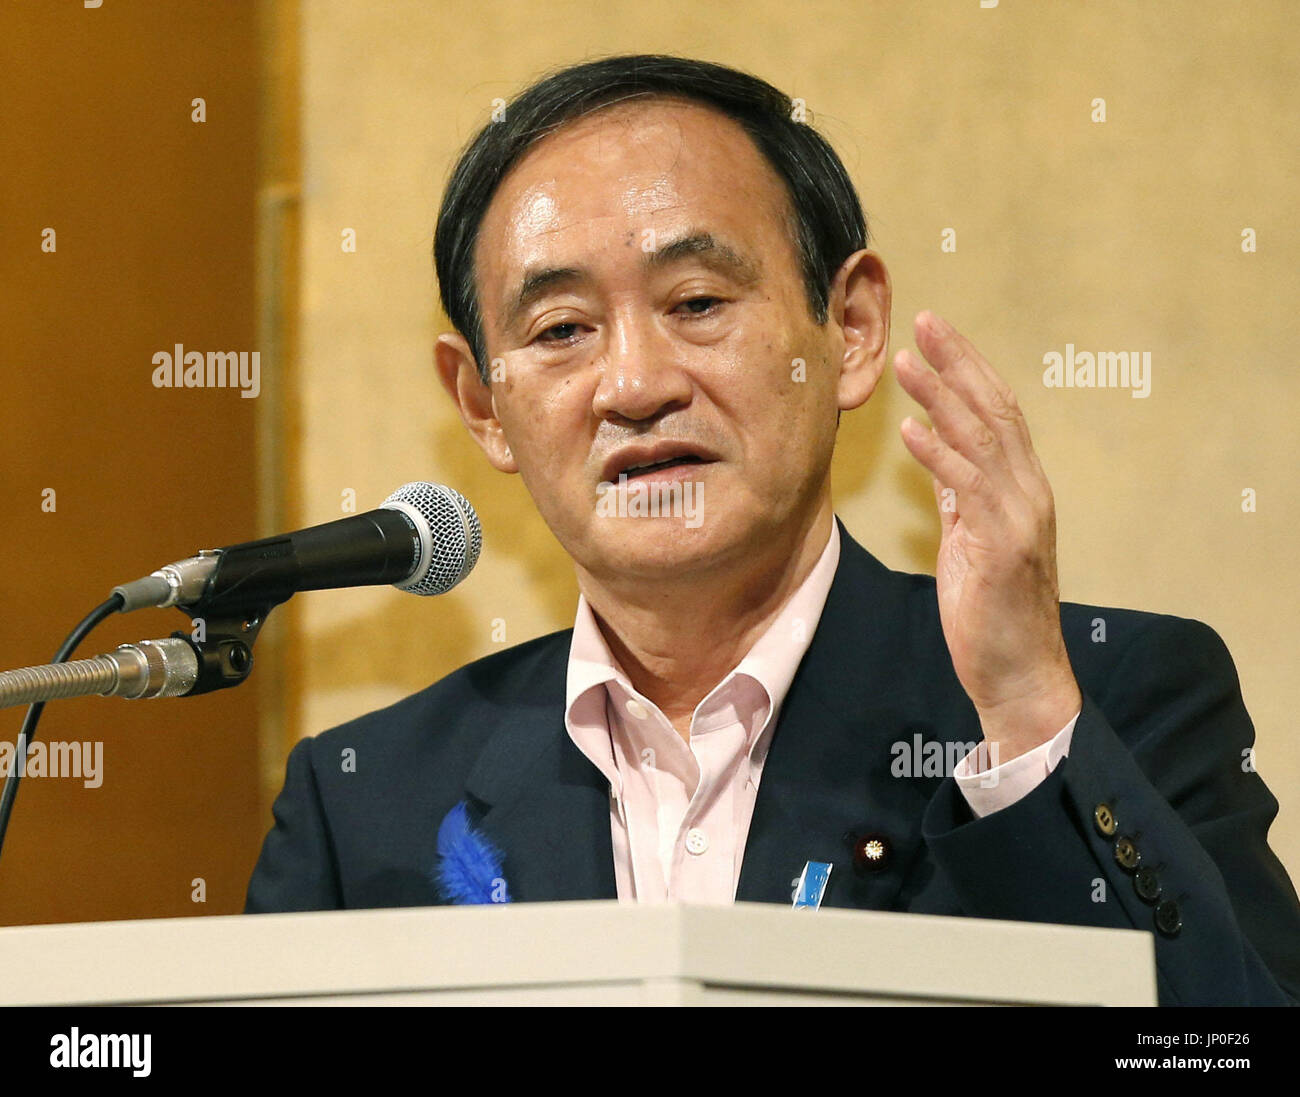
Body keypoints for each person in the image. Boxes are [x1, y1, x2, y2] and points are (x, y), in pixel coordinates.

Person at [245, 54, 1300, 1006]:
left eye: (698, 302)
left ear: (851, 329)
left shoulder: (1108, 701)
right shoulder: (363, 803)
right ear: (483, 405)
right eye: (562, 328)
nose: (635, 384)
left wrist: (1026, 716)